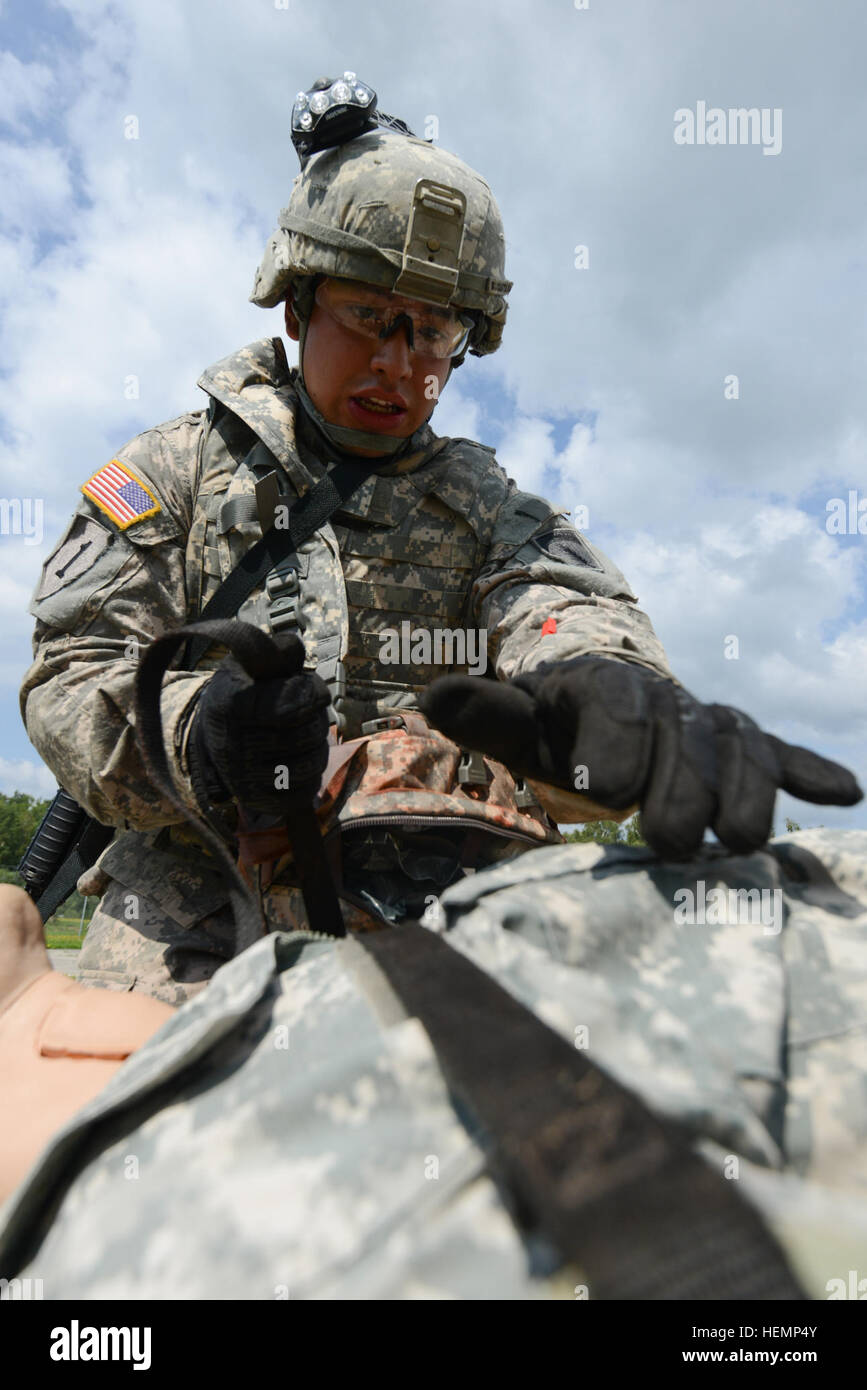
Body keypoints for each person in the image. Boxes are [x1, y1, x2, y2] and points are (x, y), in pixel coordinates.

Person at [19, 76, 860, 1005]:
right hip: (195, 923)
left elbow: (559, 608)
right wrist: (198, 735)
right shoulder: (175, 469)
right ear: (296, 309)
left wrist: (603, 688)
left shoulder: (488, 506)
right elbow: (70, 670)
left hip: (449, 935)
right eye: (370, 317)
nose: (400, 363)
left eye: (434, 332)